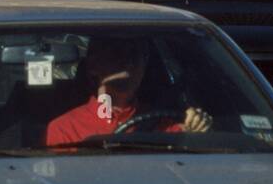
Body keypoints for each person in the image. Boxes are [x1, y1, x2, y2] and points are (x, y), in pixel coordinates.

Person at [45, 37, 211, 146]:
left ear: (145, 65)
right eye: (117, 53)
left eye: (136, 55)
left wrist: (195, 129)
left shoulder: (164, 125)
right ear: (93, 65)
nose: (129, 61)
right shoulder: (64, 129)